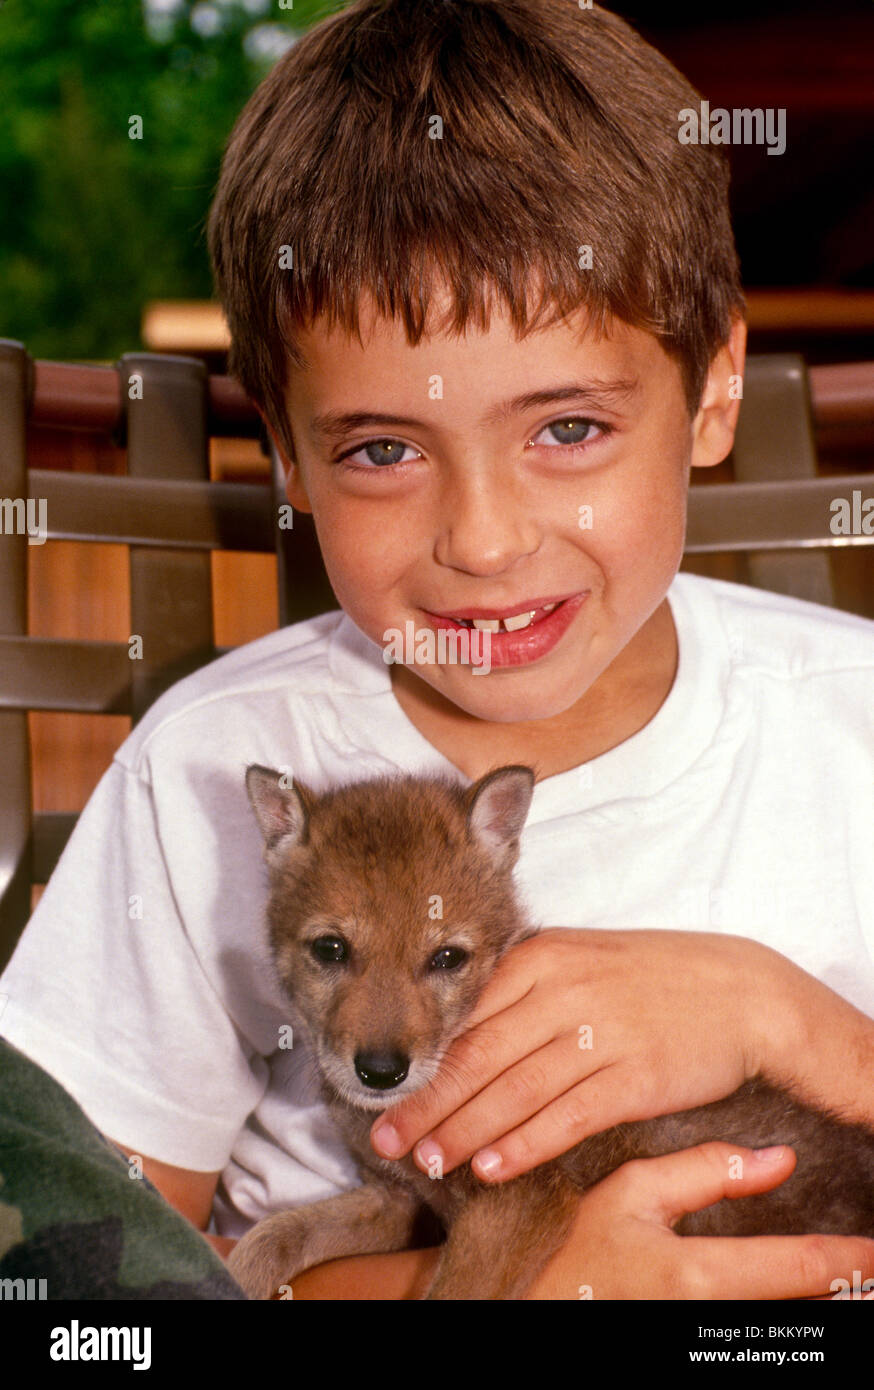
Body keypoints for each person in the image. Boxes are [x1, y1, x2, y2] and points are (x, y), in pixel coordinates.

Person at [2, 0, 873, 1300]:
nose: (481, 536)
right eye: (381, 449)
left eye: (566, 428)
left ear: (711, 393)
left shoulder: (846, 715)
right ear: (287, 458)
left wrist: (789, 1021)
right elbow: (78, 1268)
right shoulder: (213, 765)